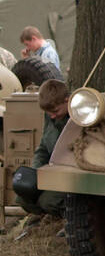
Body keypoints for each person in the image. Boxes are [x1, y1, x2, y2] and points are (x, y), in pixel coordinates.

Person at [12, 78, 69, 230]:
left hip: (70, 176)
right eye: (48, 113)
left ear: (67, 101)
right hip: (51, 171)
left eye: (56, 111)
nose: (52, 116)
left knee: (48, 201)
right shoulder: (51, 116)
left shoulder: (78, 119)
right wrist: (34, 174)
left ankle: (70, 218)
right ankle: (46, 217)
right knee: (24, 195)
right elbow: (44, 147)